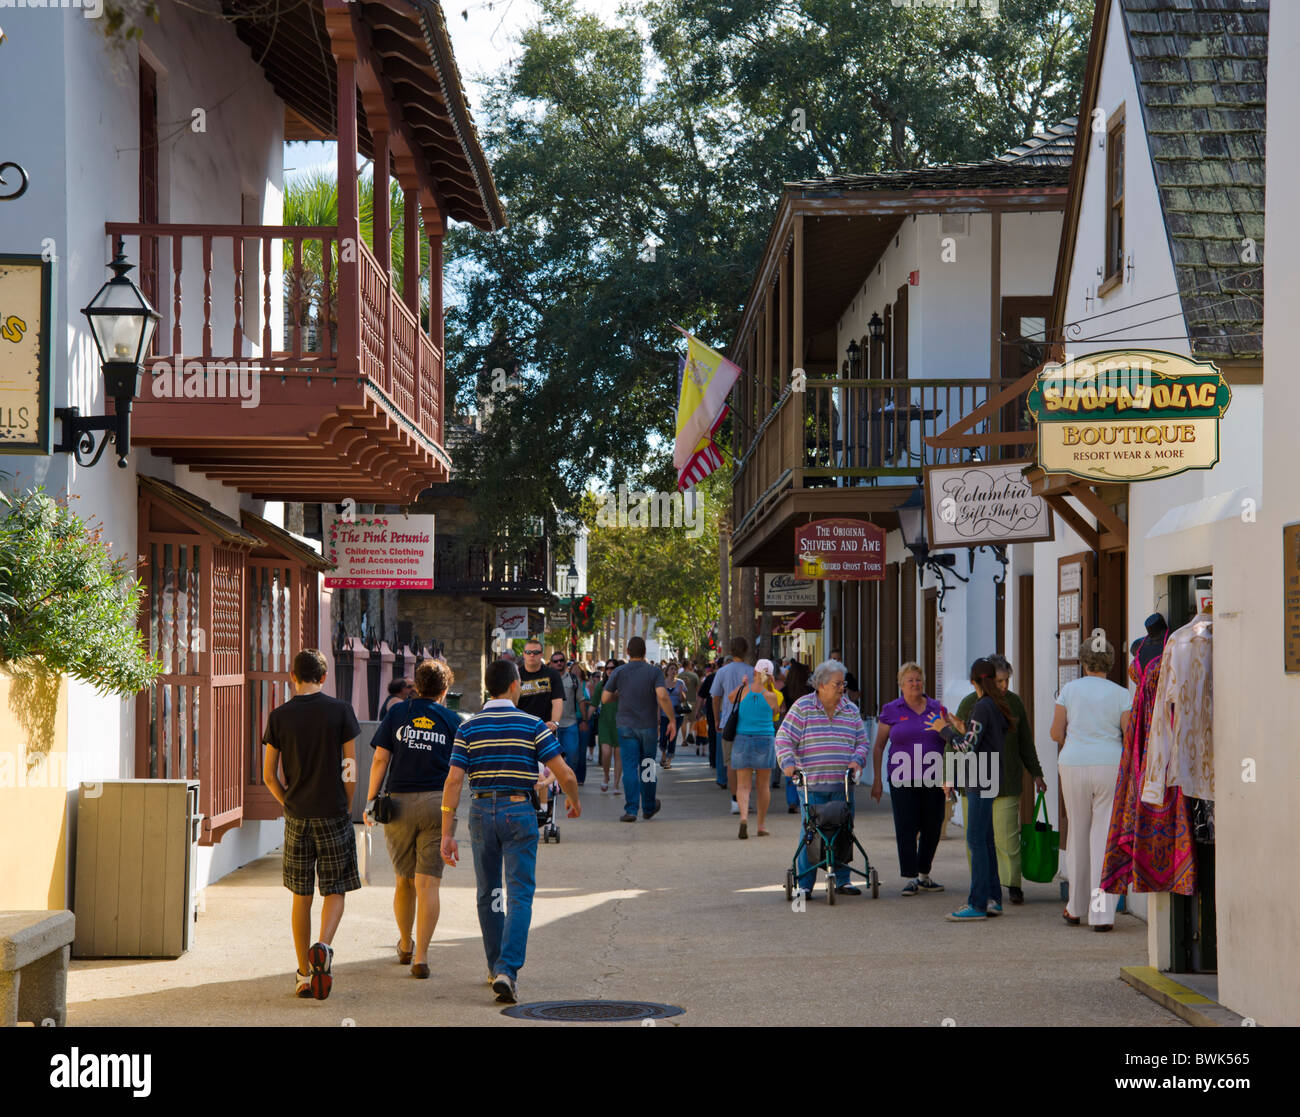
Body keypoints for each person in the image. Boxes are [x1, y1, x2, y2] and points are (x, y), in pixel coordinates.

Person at [439, 658, 581, 1004]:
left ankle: (493, 966)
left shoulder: (468, 728)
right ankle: (507, 969)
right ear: (515, 685)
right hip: (518, 810)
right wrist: (573, 801)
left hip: (481, 812)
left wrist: (447, 831)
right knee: (519, 894)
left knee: (488, 892)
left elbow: (454, 780)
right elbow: (565, 774)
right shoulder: (533, 725)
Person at [261, 648, 360, 1000]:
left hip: (297, 815)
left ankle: (304, 973)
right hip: (333, 810)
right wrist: (347, 805)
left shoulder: (279, 716)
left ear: (292, 676)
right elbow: (349, 767)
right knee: (335, 889)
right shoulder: (341, 712)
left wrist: (289, 801)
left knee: (300, 896)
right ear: (324, 677)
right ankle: (324, 946)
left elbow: (269, 776)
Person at [365, 658, 459, 978]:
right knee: (428, 883)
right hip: (437, 802)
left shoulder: (396, 713)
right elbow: (459, 772)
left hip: (399, 804)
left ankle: (405, 943)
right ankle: (421, 957)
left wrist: (369, 801)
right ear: (444, 690)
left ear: (416, 686)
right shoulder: (451, 720)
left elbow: (380, 758)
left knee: (404, 880)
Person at [1051, 638, 1131, 931]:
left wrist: (1076, 741)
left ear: (1083, 662)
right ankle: (1101, 915)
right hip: (1109, 765)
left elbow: (1055, 732)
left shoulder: (1069, 690)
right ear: (1110, 662)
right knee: (1102, 839)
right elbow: (1129, 734)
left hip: (1073, 763)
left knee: (1077, 834)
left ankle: (1075, 908)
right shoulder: (1122, 694)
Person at [954, 653, 1045, 904]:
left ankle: (1011, 884)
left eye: (1007, 680)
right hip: (975, 780)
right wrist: (948, 777)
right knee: (977, 840)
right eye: (1000, 680)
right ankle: (981, 886)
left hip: (1005, 779)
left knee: (1006, 838)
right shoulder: (971, 703)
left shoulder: (1013, 703)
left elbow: (1025, 740)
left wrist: (1036, 772)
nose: (1004, 686)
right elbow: (958, 743)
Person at [776, 659, 870, 897]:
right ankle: (805, 885)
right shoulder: (803, 707)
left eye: (843, 683)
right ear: (821, 685)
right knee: (811, 833)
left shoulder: (850, 709)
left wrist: (857, 760)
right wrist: (788, 763)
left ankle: (843, 879)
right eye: (838, 683)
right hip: (812, 784)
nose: (842, 688)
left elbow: (862, 741)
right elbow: (784, 739)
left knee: (843, 829)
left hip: (843, 784)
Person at [931, 658, 1014, 922]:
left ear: (973, 681)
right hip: (991, 776)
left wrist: (944, 731)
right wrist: (961, 728)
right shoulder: (996, 705)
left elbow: (967, 748)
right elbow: (981, 738)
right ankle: (993, 899)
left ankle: (977, 903)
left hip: (979, 777)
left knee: (976, 841)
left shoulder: (982, 706)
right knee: (987, 841)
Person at [870, 663, 946, 897]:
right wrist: (877, 780)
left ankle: (924, 874)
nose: (915, 684)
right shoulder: (892, 709)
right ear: (901, 684)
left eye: (918, 679)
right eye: (910, 680)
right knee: (907, 826)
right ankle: (911, 877)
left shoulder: (937, 708)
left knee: (932, 826)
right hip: (901, 777)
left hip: (933, 777)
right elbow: (880, 746)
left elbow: (950, 742)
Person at [603, 637, 676, 821]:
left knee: (629, 767)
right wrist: (672, 720)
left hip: (626, 726)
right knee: (648, 766)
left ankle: (631, 809)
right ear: (644, 652)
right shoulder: (654, 672)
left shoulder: (619, 671)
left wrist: (619, 696)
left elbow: (605, 698)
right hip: (648, 727)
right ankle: (649, 806)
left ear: (627, 651)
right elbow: (662, 695)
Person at [729, 658, 781, 839]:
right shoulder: (772, 695)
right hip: (765, 740)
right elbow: (776, 711)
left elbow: (730, 697)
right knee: (763, 786)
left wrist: (743, 684)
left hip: (742, 738)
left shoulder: (743, 691)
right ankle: (761, 825)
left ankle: (743, 818)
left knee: (743, 786)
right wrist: (772, 687)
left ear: (754, 673)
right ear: (770, 675)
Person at [712, 638, 755, 815]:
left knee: (730, 762)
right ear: (746, 651)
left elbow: (715, 697)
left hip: (728, 722)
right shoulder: (753, 672)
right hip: (749, 722)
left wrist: (716, 718)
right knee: (747, 763)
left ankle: (735, 800)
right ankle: (745, 797)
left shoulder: (722, 672)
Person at [780, 659, 812, 813]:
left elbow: (782, 710)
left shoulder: (785, 691)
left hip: (791, 729)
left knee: (790, 765)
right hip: (808, 731)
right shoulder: (809, 690)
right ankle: (804, 798)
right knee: (806, 764)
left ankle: (792, 801)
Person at [550, 651, 586, 786]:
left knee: (572, 755)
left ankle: (569, 780)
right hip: (552, 725)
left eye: (561, 660)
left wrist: (584, 720)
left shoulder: (573, 679)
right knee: (554, 757)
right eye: (555, 661)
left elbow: (581, 700)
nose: (559, 663)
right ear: (551, 663)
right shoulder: (547, 679)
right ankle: (557, 782)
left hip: (570, 723)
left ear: (565, 662)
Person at [517, 639, 563, 738]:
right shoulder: (515, 675)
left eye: (536, 652)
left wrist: (554, 723)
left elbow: (557, 702)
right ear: (524, 654)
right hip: (522, 729)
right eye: (528, 652)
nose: (532, 655)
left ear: (541, 654)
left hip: (545, 729)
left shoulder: (552, 674)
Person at [660, 663, 687, 769]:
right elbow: (658, 699)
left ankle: (669, 760)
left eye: (675, 669)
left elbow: (683, 700)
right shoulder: (661, 683)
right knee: (663, 736)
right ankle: (663, 754)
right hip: (664, 714)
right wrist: (657, 714)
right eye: (671, 669)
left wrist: (681, 693)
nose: (673, 671)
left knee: (672, 737)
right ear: (667, 671)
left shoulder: (680, 682)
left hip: (677, 715)